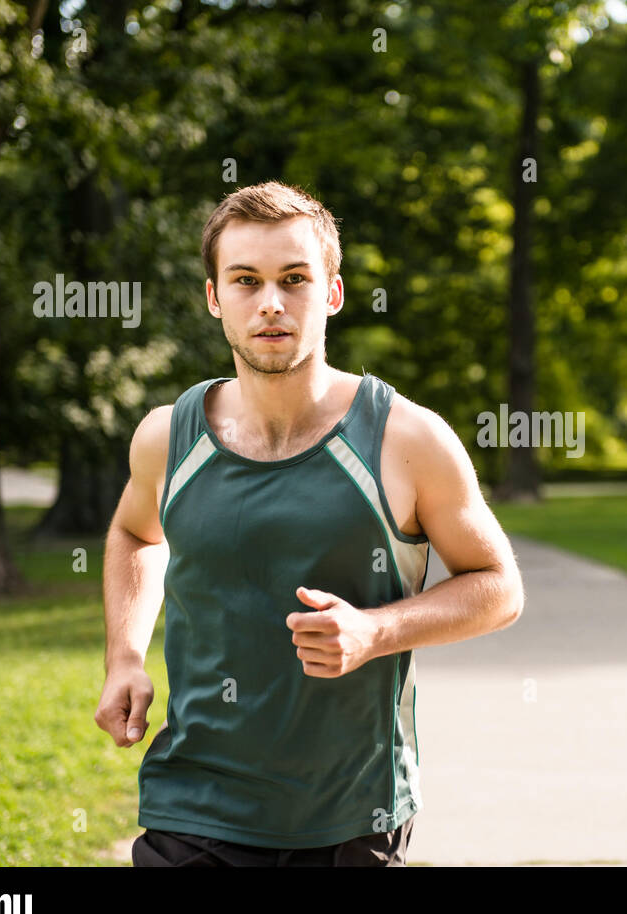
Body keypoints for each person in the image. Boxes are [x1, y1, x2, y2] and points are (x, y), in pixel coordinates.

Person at [94, 181, 525, 866]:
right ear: (214, 297)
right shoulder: (166, 438)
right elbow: (134, 533)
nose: (271, 302)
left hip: (350, 816)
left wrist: (376, 630)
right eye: (246, 280)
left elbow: (499, 585)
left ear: (332, 293)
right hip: (192, 803)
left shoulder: (406, 438)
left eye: (295, 279)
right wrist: (124, 655)